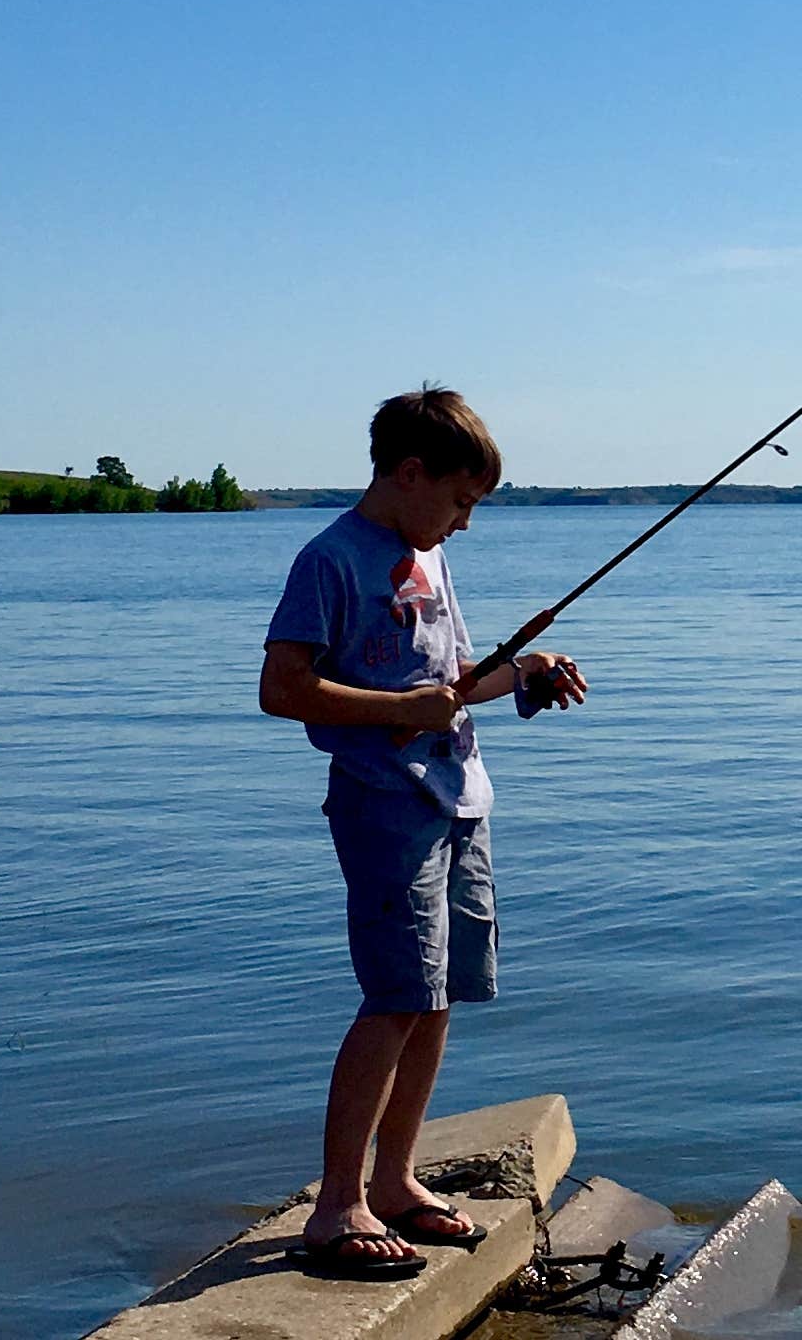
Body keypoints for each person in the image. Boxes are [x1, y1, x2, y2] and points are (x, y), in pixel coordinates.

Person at [260, 385, 587, 1283]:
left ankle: (396, 1179)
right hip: (383, 804)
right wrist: (397, 710)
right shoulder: (331, 560)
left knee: (438, 995)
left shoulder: (429, 555)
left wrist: (525, 672)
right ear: (410, 474)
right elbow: (283, 688)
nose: (465, 522)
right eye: (460, 501)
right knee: (396, 996)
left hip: (459, 798)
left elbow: (450, 682)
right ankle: (338, 1205)